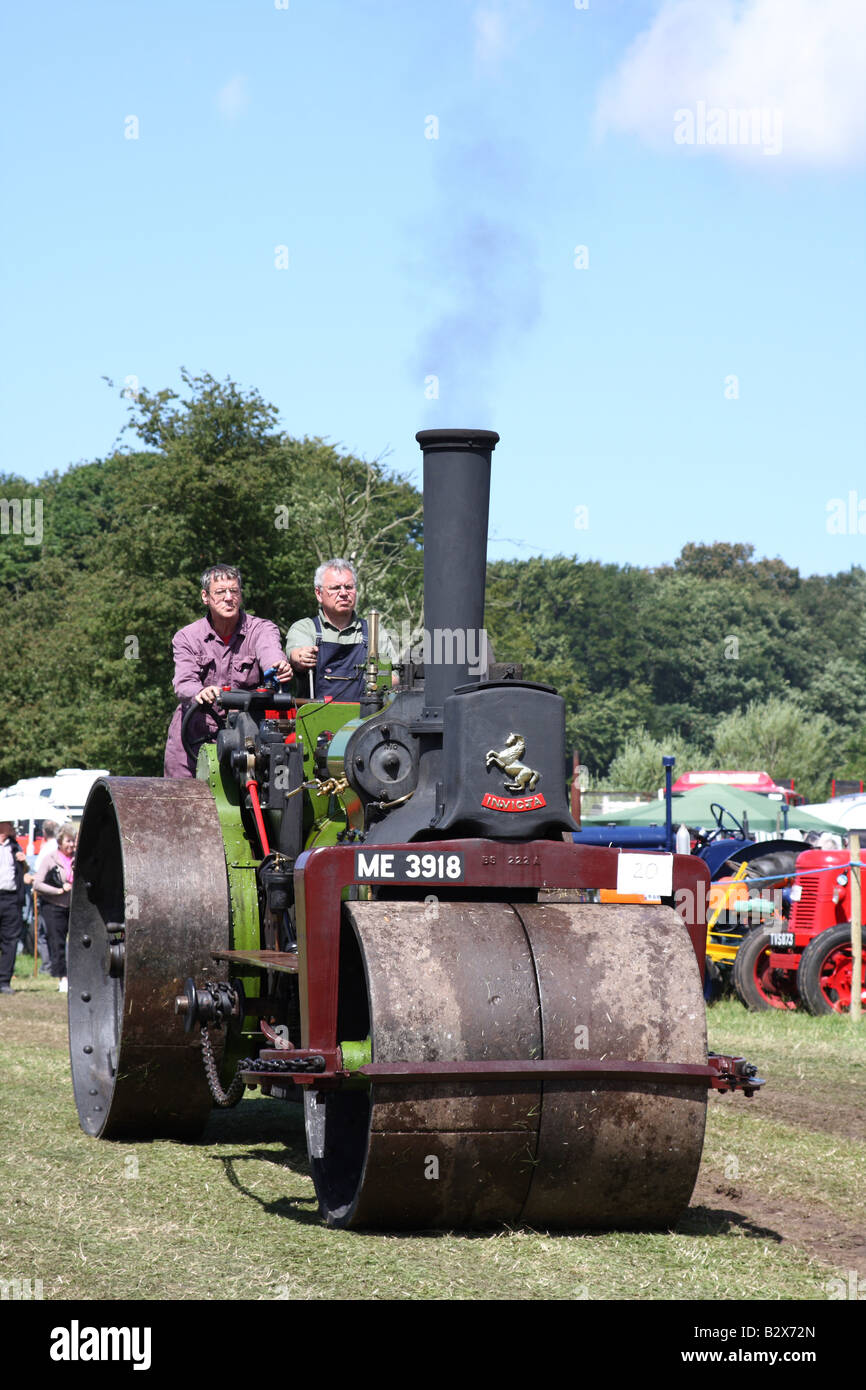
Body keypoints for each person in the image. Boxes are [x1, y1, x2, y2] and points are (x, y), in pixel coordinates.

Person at [164, 564, 292, 778]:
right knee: (181, 803)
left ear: (240, 595)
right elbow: (183, 682)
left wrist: (278, 666)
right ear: (205, 597)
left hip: (246, 739)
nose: (228, 597)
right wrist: (199, 692)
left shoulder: (261, 629)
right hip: (193, 736)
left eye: (234, 591)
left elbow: (270, 651)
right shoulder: (186, 637)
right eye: (220, 592)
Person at [286, 559, 398, 700]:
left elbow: (393, 677)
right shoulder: (305, 628)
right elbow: (296, 656)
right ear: (318, 593)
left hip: (366, 719)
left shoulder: (374, 631)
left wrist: (381, 682)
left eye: (349, 587)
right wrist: (301, 657)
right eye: (335, 588)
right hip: (315, 718)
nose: (344, 593)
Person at [34, 823, 76, 992]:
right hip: (53, 906)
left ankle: (77, 975)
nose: (71, 845)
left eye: (73, 841)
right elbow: (37, 883)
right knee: (57, 943)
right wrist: (58, 890)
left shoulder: (78, 858)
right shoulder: (50, 859)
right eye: (68, 841)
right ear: (59, 841)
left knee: (76, 943)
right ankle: (63, 979)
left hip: (73, 907)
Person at [0, 819, 27, 995]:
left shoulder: (15, 847)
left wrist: (23, 862)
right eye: (8, 823)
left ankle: (4, 981)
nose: (11, 826)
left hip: (11, 899)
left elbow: (24, 872)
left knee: (10, 940)